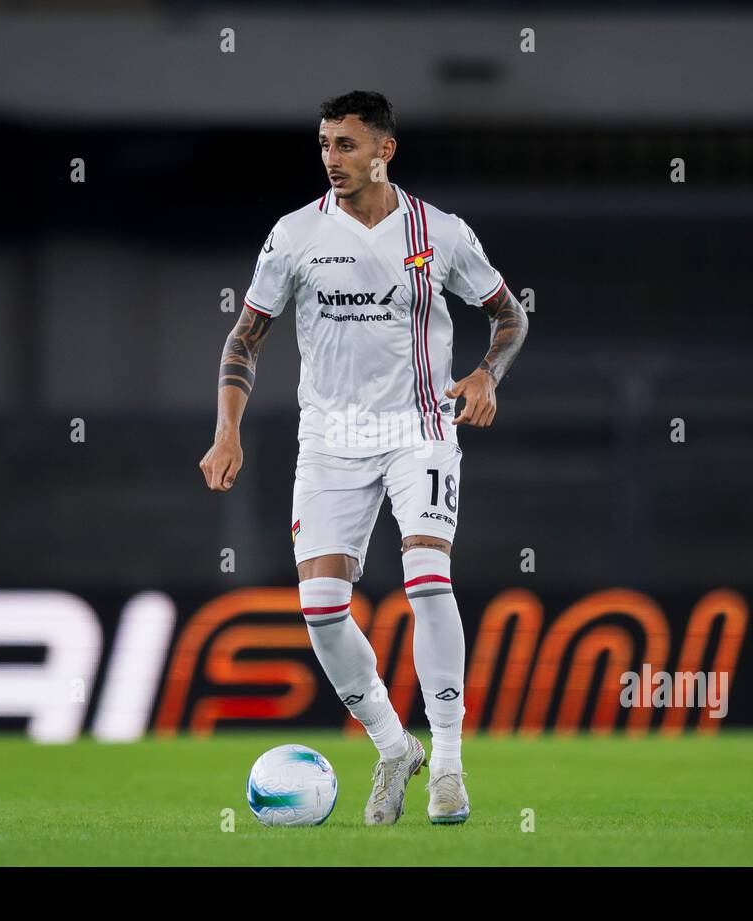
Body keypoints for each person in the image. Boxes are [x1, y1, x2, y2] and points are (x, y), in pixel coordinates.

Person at [199, 91, 528, 825]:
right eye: (323, 144)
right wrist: (228, 431)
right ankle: (393, 745)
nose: (331, 159)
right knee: (319, 608)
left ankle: (447, 765)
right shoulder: (294, 235)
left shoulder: (438, 233)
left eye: (346, 145)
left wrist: (485, 375)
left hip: (421, 428)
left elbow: (509, 313)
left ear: (385, 150)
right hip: (329, 439)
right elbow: (243, 338)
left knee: (427, 575)